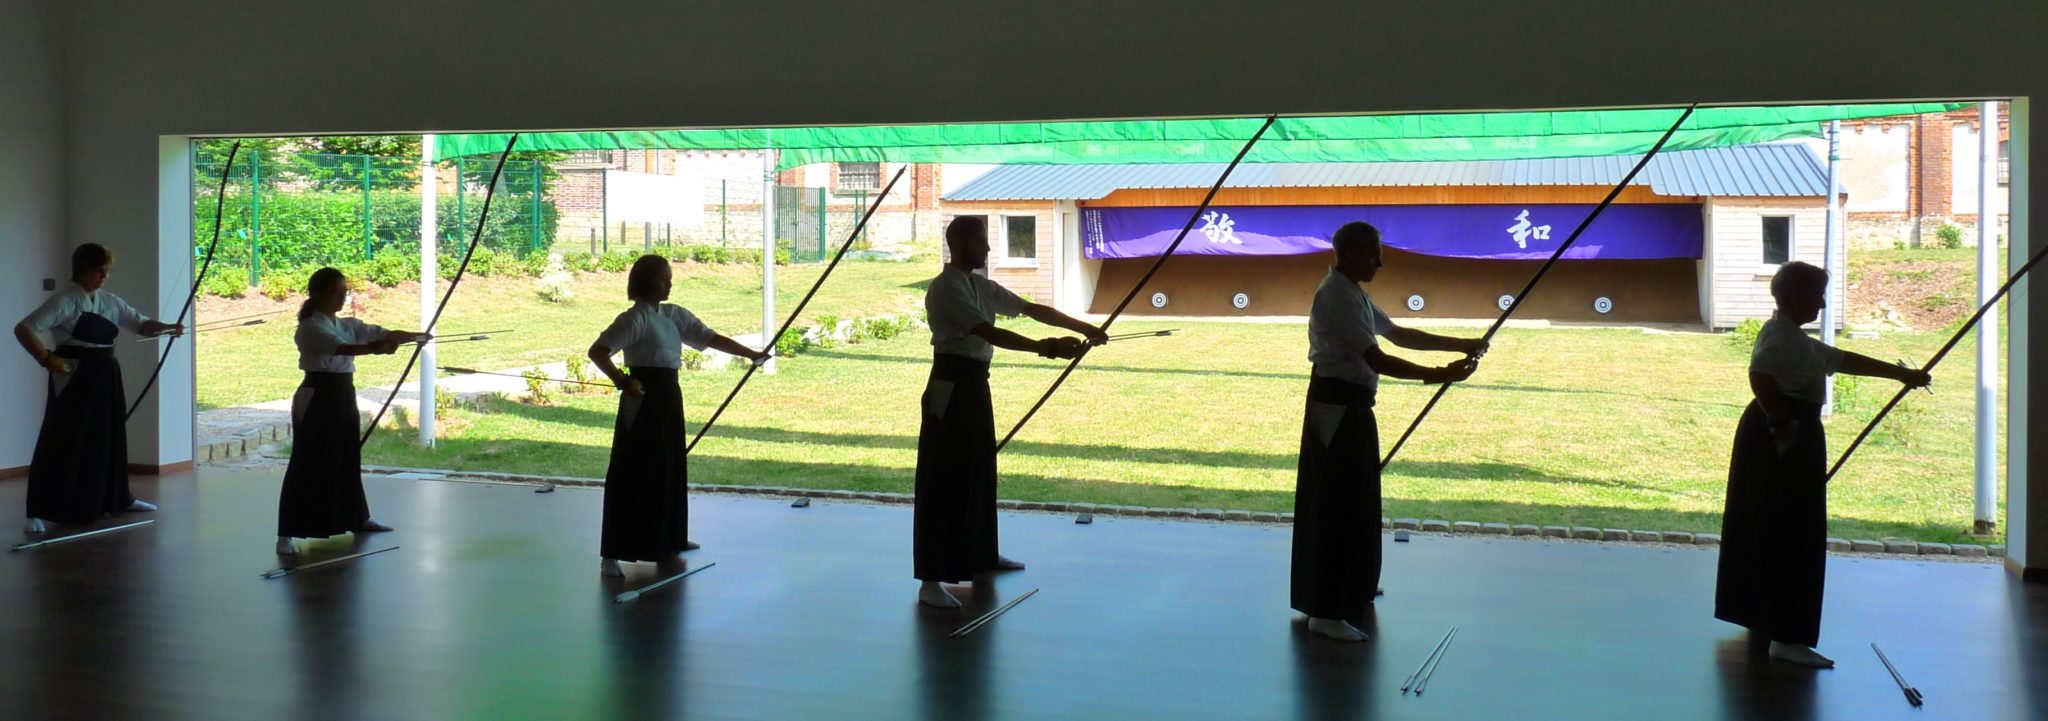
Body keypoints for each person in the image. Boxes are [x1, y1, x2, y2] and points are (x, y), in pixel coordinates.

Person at [1715, 260, 1929, 668]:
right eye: (1817, 295)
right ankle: (1787, 635)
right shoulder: (1781, 337)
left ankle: (1765, 618)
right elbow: (1760, 376)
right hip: (1783, 433)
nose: (1823, 304)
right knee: (1793, 528)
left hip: (1784, 431)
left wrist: (1903, 376)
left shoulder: (1791, 336)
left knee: (1772, 524)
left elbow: (1842, 359)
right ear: (1794, 296)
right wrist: (1782, 427)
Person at [1293, 222, 1485, 642]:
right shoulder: (1337, 296)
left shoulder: (1353, 291)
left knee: (1359, 498)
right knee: (1338, 503)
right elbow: (1376, 358)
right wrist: (1437, 375)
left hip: (1354, 406)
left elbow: (1398, 334)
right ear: (1348, 254)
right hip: (1336, 408)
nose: (1381, 261)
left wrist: (1462, 344)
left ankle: (1353, 584)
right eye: (1373, 253)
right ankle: (1324, 610)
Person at [915, 215, 1106, 609]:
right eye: (982, 241)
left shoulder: (978, 285)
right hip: (950, 387)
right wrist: (1047, 348)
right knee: (944, 477)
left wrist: (1086, 328)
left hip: (973, 385)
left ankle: (982, 555)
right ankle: (931, 581)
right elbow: (989, 333)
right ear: (963, 243)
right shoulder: (947, 287)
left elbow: (1032, 309)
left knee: (980, 470)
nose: (987, 249)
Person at [588, 255, 768, 578]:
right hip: (641, 399)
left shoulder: (672, 315)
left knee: (669, 466)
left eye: (669, 278)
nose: (669, 283)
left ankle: (669, 539)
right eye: (663, 279)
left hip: (669, 396)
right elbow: (598, 351)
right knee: (632, 470)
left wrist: (751, 354)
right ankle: (612, 554)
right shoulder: (635, 319)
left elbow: (709, 337)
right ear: (645, 284)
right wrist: (622, 381)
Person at [14, 243, 182, 534]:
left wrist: (167, 328)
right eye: (98, 270)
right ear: (82, 269)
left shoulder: (109, 301)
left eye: (107, 270)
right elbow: (25, 328)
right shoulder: (64, 301)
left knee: (108, 435)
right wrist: (46, 359)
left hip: (105, 370)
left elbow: (140, 324)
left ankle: (118, 498)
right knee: (62, 437)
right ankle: (38, 509)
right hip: (72, 373)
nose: (104, 275)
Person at [275, 267, 425, 555]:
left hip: (343, 394)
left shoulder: (347, 324)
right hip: (317, 395)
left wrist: (415, 336)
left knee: (347, 455)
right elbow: (342, 349)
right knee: (306, 461)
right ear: (317, 294)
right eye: (335, 292)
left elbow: (379, 333)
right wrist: (378, 348)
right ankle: (286, 534)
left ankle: (357, 517)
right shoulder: (309, 328)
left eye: (345, 292)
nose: (342, 297)